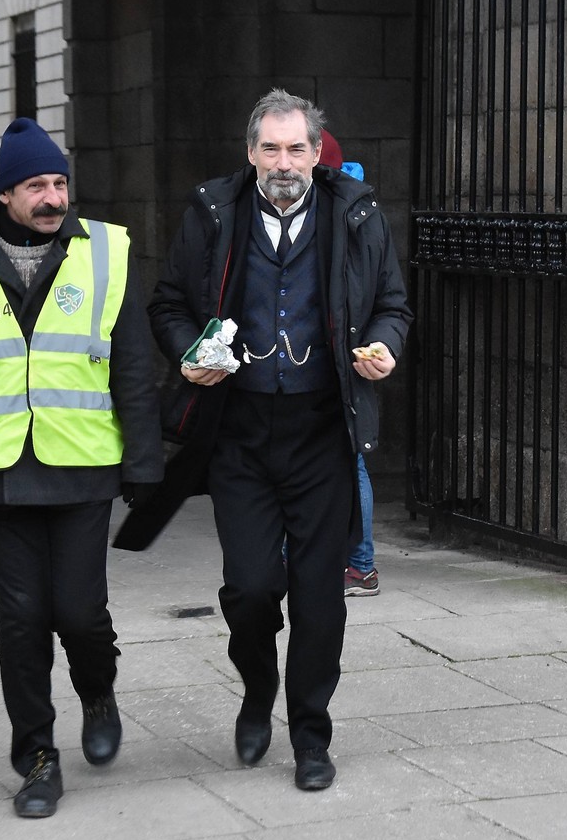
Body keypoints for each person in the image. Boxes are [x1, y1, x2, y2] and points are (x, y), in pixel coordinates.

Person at [144, 88, 412, 791]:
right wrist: (189, 351)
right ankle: (256, 688)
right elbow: (168, 303)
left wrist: (383, 344)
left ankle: (312, 736)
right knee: (253, 587)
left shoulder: (356, 215)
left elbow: (392, 302)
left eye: (298, 148)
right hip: (241, 431)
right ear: (250, 152)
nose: (284, 162)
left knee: (320, 596)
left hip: (323, 431)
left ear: (318, 152)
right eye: (271, 148)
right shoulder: (214, 211)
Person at [0, 117, 163, 819]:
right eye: (36, 186)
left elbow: (133, 363)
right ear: (5, 195)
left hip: (81, 462)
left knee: (78, 612)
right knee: (20, 617)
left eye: (59, 183)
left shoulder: (104, 252)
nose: (53, 198)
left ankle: (98, 691)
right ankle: (38, 757)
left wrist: (145, 457)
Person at [317, 129, 379, 598]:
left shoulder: (354, 211)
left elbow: (382, 295)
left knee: (351, 462)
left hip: (340, 361)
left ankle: (360, 565)